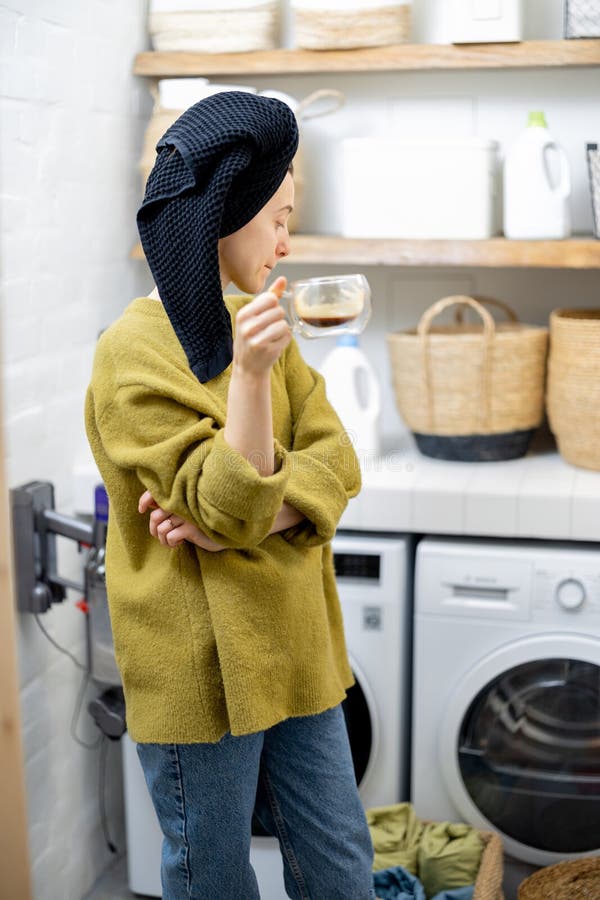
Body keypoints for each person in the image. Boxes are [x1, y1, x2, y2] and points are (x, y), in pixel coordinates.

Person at [85, 91, 375, 900]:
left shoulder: (263, 320)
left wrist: (265, 515)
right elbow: (224, 508)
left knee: (341, 862)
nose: (286, 241)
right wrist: (247, 379)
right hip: (197, 668)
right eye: (277, 218)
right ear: (226, 210)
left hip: (296, 645)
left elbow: (337, 461)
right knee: (211, 875)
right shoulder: (131, 355)